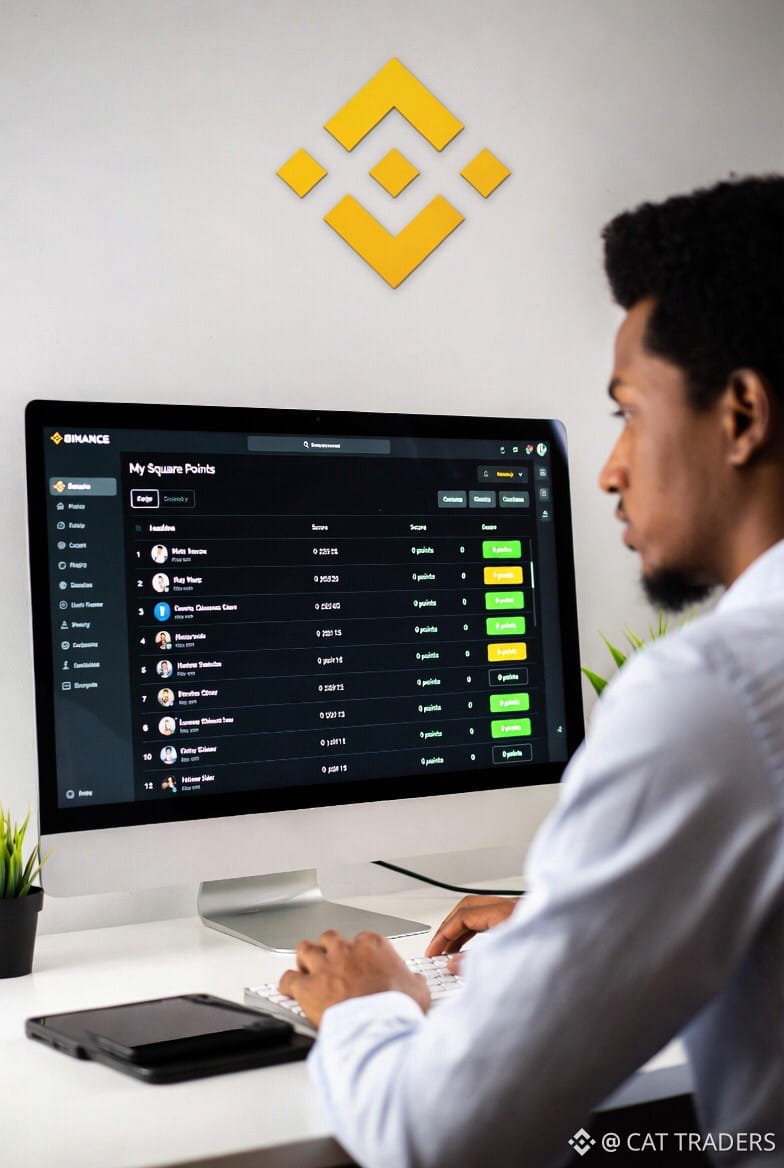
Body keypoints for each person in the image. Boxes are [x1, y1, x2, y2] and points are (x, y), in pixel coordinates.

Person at [280, 176, 784, 1167]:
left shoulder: (714, 696)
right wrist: (599, 920)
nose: (608, 469)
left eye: (629, 413)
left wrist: (367, 1006)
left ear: (740, 414)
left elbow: (443, 1137)